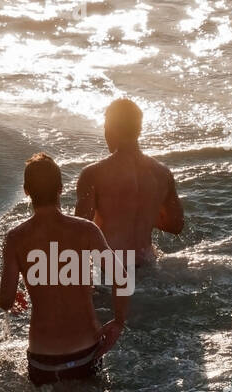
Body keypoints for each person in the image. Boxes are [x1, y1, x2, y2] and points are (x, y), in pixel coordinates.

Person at [0, 153, 130, 386]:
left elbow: (6, 301)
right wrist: (118, 321)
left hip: (42, 359)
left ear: (26, 191)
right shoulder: (86, 231)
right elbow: (121, 277)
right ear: (60, 188)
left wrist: (12, 297)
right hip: (86, 353)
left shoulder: (16, 238)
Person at [75, 98, 184, 266]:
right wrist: (143, 213)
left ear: (112, 129)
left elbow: (81, 234)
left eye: (105, 128)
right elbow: (176, 224)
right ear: (138, 130)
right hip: (149, 267)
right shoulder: (162, 173)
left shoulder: (93, 174)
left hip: (110, 269)